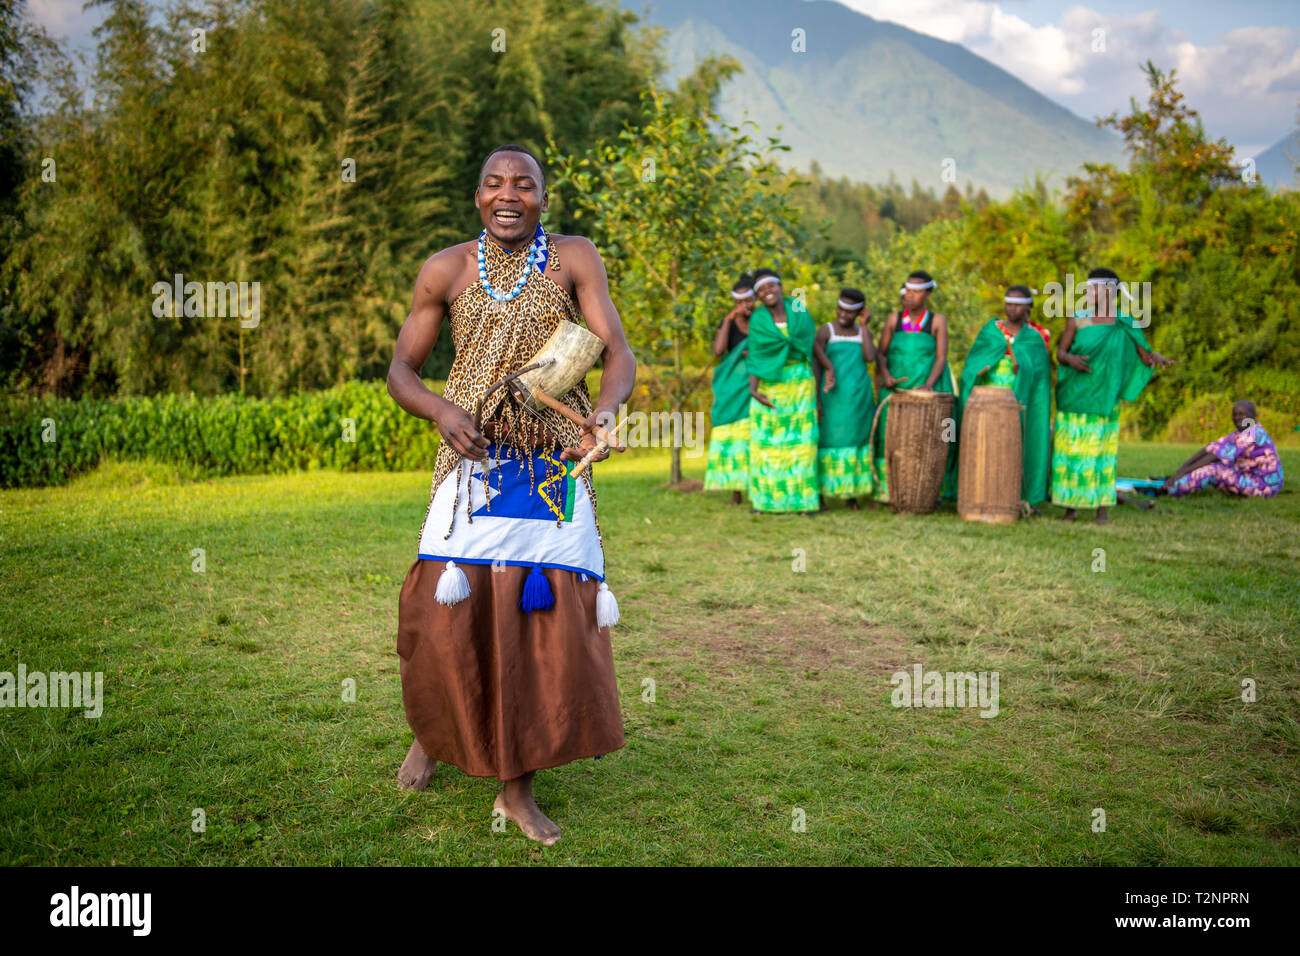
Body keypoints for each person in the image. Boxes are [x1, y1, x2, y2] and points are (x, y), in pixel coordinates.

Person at [385, 144, 636, 846]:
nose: (508, 194)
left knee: (537, 623)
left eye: (523, 185)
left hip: (553, 463)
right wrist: (439, 410)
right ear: (476, 197)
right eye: (494, 183)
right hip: (469, 463)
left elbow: (618, 354)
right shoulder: (447, 269)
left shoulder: (575, 258)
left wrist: (606, 415)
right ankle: (435, 735)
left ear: (542, 198)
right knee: (444, 615)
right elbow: (402, 368)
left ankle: (515, 790)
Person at [1051, 267, 1173, 524]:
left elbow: (1145, 355)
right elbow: (1060, 353)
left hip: (1105, 400)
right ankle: (1071, 509)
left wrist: (1157, 358)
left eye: (1095, 288)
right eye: (1088, 288)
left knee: (1101, 454)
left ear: (1111, 292)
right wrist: (1070, 359)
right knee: (1072, 451)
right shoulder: (1077, 319)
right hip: (1077, 396)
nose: (1089, 292)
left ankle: (1101, 509)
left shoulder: (1124, 322)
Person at [958, 285, 1053, 512]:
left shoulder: (1034, 338)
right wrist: (981, 368)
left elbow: (1040, 378)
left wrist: (1023, 366)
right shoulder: (992, 331)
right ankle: (981, 492)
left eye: (1018, 305)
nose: (1012, 309)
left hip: (1020, 398)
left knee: (1016, 443)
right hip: (989, 398)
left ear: (1028, 306)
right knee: (986, 443)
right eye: (1009, 303)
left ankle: (1018, 496)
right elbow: (972, 365)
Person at [746, 268, 829, 515]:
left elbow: (809, 346)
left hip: (800, 383)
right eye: (761, 290)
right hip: (771, 385)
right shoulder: (759, 319)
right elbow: (756, 354)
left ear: (780, 286)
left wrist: (827, 369)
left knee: (802, 444)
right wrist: (754, 390)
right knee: (766, 443)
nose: (767, 292)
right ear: (758, 297)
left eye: (770, 286)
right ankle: (764, 502)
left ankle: (804, 503)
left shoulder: (797, 307)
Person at [872, 270, 957, 500]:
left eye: (916, 292)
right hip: (894, 388)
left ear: (928, 294)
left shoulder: (937, 321)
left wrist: (929, 384)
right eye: (907, 290)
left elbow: (941, 358)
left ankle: (926, 489)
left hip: (923, 387)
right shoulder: (894, 319)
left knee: (927, 436)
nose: (910, 296)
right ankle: (888, 490)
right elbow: (881, 353)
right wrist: (886, 375)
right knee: (889, 434)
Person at [814, 288, 877, 509]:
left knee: (855, 442)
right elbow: (816, 367)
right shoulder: (826, 331)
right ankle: (821, 495)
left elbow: (870, 357)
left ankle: (851, 495)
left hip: (858, 398)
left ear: (860, 312)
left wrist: (866, 326)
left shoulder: (862, 332)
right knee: (828, 442)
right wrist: (817, 399)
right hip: (832, 398)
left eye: (850, 312)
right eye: (841, 309)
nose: (843, 315)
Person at [703, 273, 757, 504]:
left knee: (753, 434)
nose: (745, 306)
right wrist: (728, 320)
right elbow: (718, 351)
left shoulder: (763, 320)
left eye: (749, 301)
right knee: (734, 435)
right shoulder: (730, 323)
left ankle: (757, 487)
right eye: (740, 302)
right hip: (734, 388)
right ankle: (736, 491)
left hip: (756, 385)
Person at [1162, 400, 1284, 498]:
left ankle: (1168, 490)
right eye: (1235, 414)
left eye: (1243, 414)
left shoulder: (1254, 432)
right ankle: (1176, 481)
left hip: (1263, 486)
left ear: (1254, 416)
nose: (1238, 418)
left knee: (1213, 469)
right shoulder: (1238, 434)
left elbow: (1215, 457)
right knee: (1216, 466)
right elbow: (1209, 449)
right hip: (1250, 477)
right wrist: (1180, 471)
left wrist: (1183, 473)